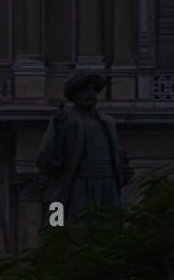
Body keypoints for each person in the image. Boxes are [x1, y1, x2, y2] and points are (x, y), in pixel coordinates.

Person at [36, 70, 127, 216]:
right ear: (74, 94)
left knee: (107, 227)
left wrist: (123, 170)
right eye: (85, 89)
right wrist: (58, 131)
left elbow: (119, 157)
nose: (90, 93)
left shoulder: (107, 122)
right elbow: (46, 161)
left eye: (94, 89)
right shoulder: (64, 120)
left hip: (107, 186)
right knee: (59, 224)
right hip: (76, 186)